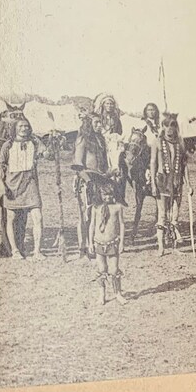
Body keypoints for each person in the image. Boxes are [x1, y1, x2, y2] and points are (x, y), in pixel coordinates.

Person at [0, 118, 45, 260]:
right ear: (15, 128)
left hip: (30, 183)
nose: (24, 128)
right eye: (21, 126)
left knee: (38, 216)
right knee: (10, 218)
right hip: (12, 184)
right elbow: (0, 165)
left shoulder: (35, 142)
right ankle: (15, 250)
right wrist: (0, 182)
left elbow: (46, 154)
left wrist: (50, 148)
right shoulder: (8, 145)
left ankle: (37, 251)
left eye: (26, 126)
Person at [150, 113, 192, 256]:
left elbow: (184, 164)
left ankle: (174, 246)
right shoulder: (157, 142)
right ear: (162, 127)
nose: (169, 129)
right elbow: (153, 163)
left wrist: (189, 184)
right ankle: (161, 246)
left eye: (172, 125)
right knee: (162, 215)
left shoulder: (180, 143)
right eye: (166, 125)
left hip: (176, 183)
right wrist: (153, 185)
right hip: (162, 181)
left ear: (176, 127)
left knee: (175, 215)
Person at [73, 113, 108, 258]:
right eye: (96, 122)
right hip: (86, 180)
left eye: (101, 122)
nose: (100, 125)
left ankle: (94, 245)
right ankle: (83, 248)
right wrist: (88, 181)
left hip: (100, 180)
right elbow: (77, 165)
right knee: (85, 216)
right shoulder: (82, 140)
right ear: (89, 124)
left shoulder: (100, 139)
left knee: (98, 214)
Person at [89, 177, 126, 305]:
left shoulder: (118, 207)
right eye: (105, 194)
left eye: (110, 194)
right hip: (99, 242)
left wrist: (121, 242)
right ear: (100, 194)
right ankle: (101, 295)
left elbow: (121, 224)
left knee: (114, 270)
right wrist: (90, 242)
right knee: (101, 269)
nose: (107, 197)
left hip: (113, 243)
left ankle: (118, 294)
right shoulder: (96, 208)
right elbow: (92, 225)